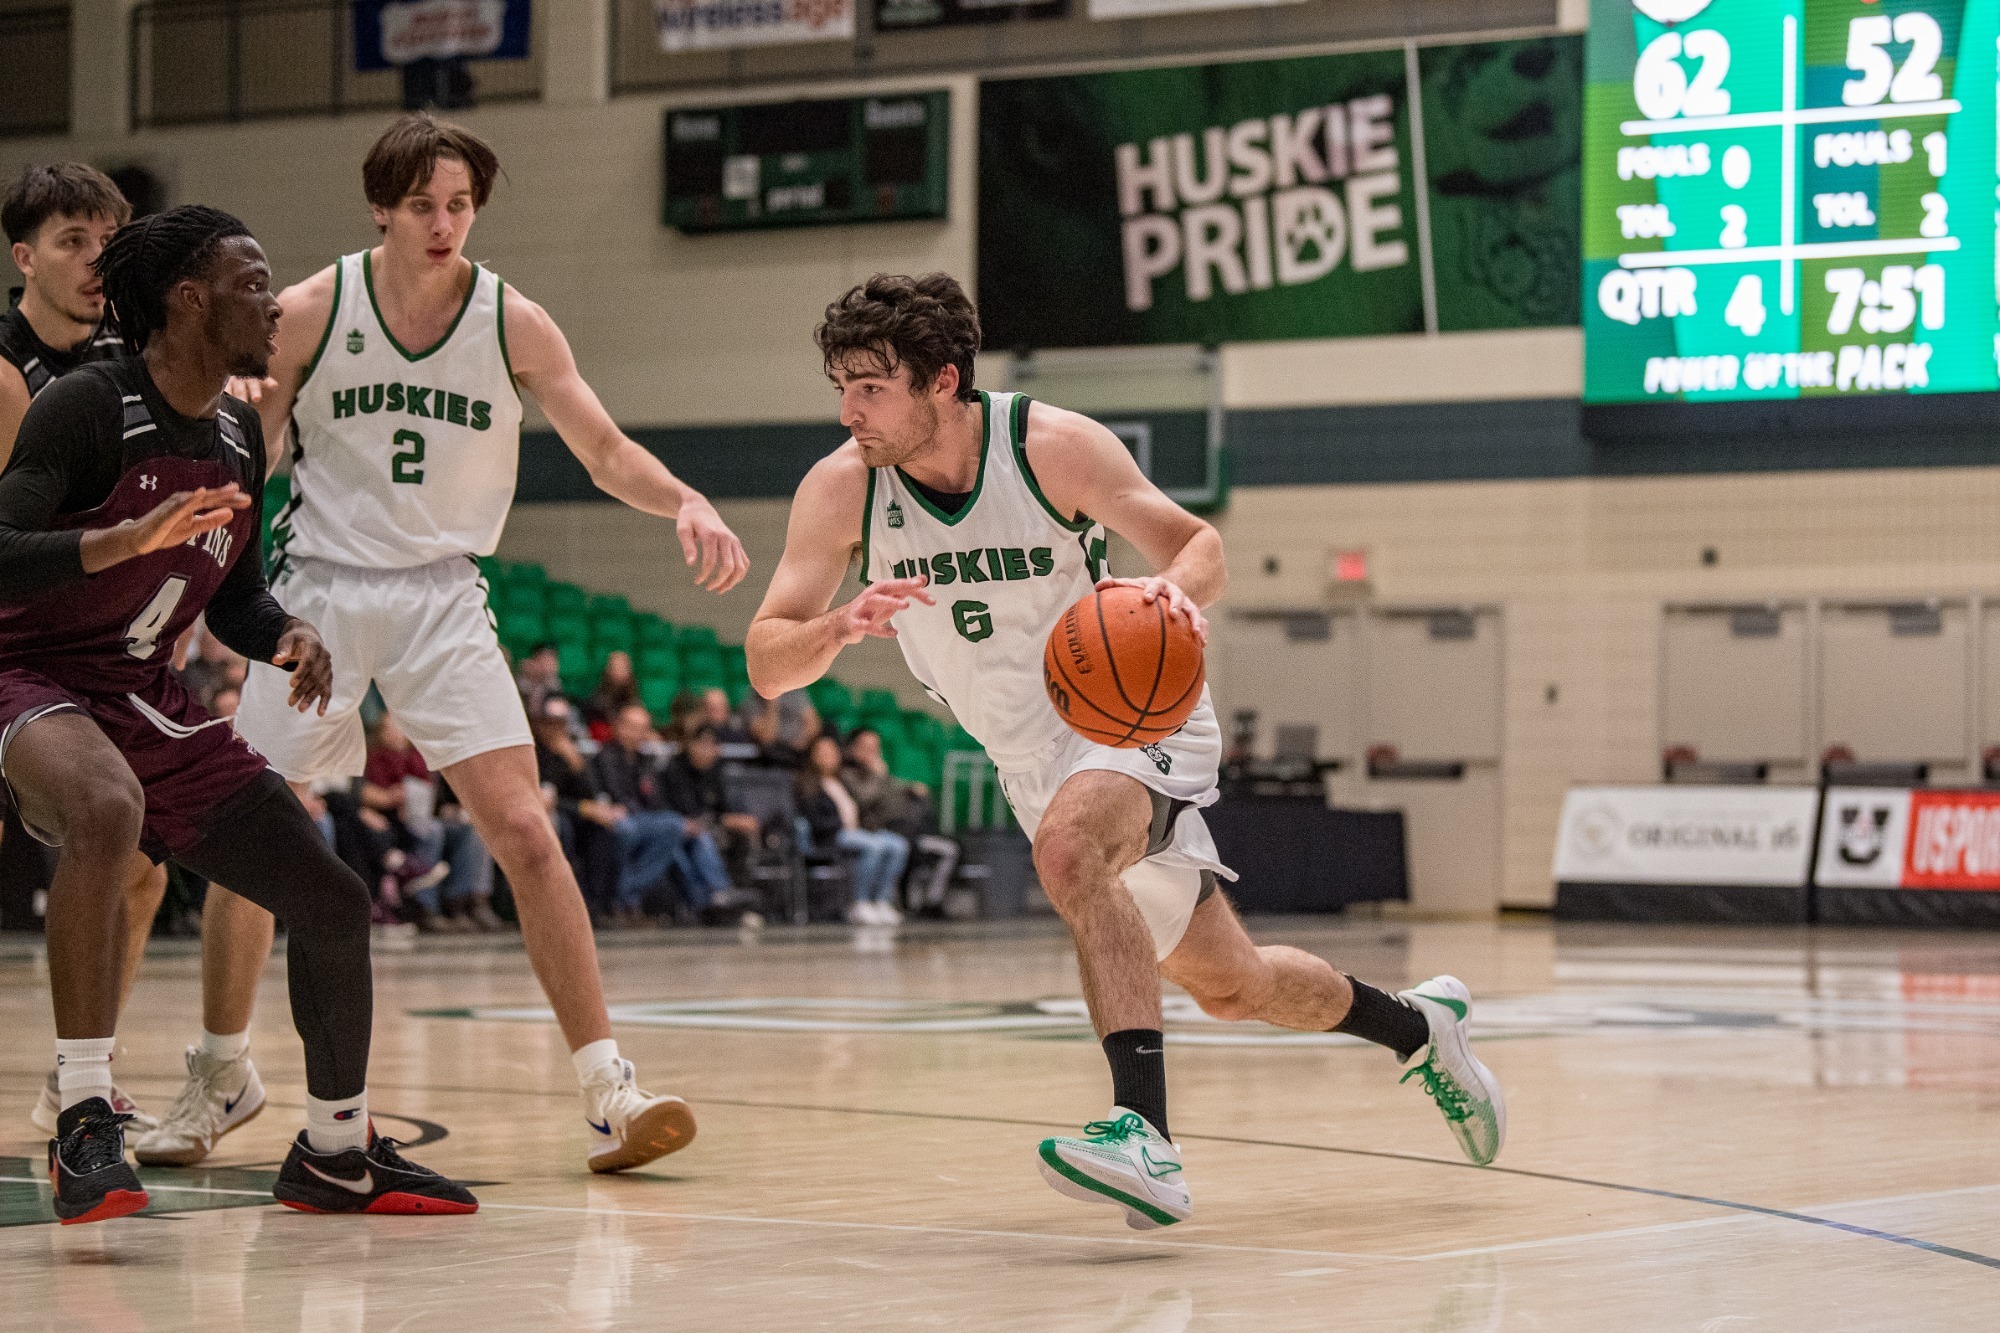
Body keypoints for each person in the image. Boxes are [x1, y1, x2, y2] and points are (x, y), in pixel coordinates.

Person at [745, 273, 1504, 1230]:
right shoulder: (842, 489)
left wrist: (1176, 593)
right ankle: (1419, 1027)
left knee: (1066, 852)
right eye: (841, 387)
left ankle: (1144, 1134)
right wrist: (837, 626)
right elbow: (767, 662)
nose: (849, 411)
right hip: (1030, 762)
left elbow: (1200, 546)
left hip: (1133, 713)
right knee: (1235, 985)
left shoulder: (1049, 447)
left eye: (870, 387)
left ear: (943, 381)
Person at [177, 112, 747, 1174]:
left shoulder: (512, 320)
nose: (444, 224)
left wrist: (683, 499)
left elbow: (603, 445)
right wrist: (201, 580)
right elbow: (241, 462)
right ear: (381, 208)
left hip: (442, 593)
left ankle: (607, 1088)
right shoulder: (310, 308)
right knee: (256, 837)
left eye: (460, 205)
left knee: (527, 834)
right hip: (321, 595)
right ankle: (219, 1073)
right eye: (423, 205)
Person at [0, 204, 472, 1220]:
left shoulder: (234, 436)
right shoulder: (86, 406)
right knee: (106, 805)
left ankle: (338, 1151)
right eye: (252, 283)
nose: (273, 300)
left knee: (332, 899)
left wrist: (288, 632)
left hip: (136, 690)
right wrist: (118, 543)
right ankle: (85, 1114)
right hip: (25, 671)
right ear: (189, 298)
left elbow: (235, 596)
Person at [3, 162, 168, 1138]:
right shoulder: (6, 363)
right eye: (72, 240)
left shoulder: (130, 358)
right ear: (25, 256)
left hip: (84, 642)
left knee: (140, 865)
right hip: (15, 636)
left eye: (108, 238)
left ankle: (82, 1072)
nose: (95, 259)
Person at [589, 702, 686, 927]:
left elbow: (654, 799)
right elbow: (612, 794)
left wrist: (656, 760)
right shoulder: (606, 756)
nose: (638, 734)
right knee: (626, 830)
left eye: (643, 728)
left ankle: (627, 891)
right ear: (620, 727)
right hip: (614, 817)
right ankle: (623, 899)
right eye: (633, 727)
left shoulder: (644, 760)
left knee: (673, 824)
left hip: (641, 817)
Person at [797, 733, 908, 924]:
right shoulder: (807, 785)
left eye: (832, 752)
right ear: (813, 755)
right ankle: (860, 901)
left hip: (857, 832)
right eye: (823, 752)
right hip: (831, 835)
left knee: (898, 845)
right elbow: (814, 819)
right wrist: (843, 824)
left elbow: (866, 805)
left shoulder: (842, 781)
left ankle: (882, 900)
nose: (829, 756)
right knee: (874, 847)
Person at [660, 722, 759, 916]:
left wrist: (734, 820)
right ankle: (721, 890)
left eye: (711, 745)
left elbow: (722, 808)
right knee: (702, 836)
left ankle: (734, 892)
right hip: (677, 830)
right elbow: (690, 814)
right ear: (691, 745)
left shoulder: (714, 773)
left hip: (707, 827)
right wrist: (725, 821)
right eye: (701, 744)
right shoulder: (675, 770)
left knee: (744, 831)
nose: (706, 751)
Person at [585, 649, 638, 735]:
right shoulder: (596, 702)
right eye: (617, 668)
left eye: (624, 668)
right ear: (608, 670)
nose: (621, 672)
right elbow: (597, 731)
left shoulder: (632, 698)